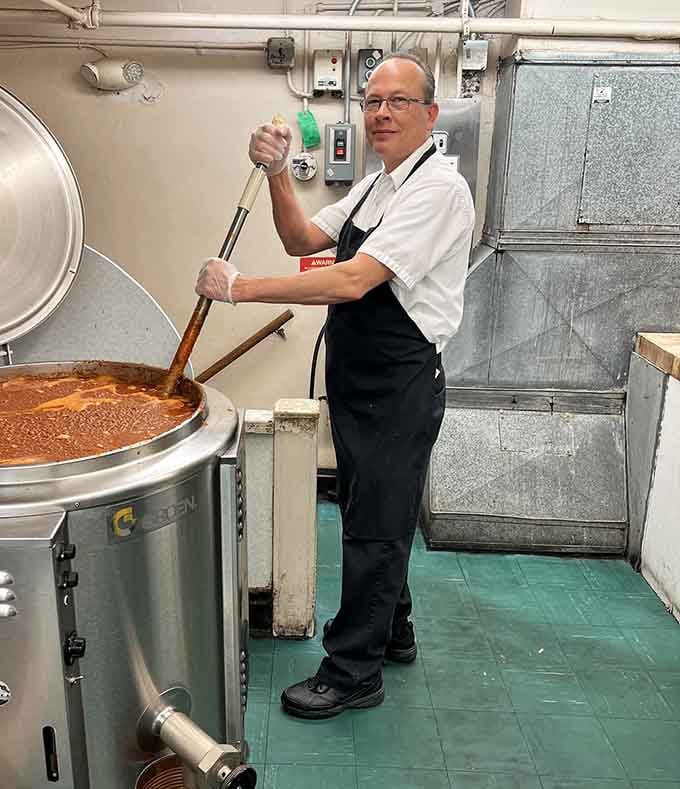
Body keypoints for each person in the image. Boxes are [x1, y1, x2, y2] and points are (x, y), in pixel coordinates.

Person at [195, 52, 475, 720]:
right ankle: (394, 631)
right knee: (374, 511)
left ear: (430, 114)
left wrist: (240, 289)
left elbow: (352, 279)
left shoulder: (437, 189)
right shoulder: (378, 186)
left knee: (373, 529)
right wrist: (273, 173)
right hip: (359, 380)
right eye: (372, 100)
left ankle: (354, 670)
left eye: (397, 101)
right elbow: (299, 237)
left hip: (400, 383)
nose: (379, 113)